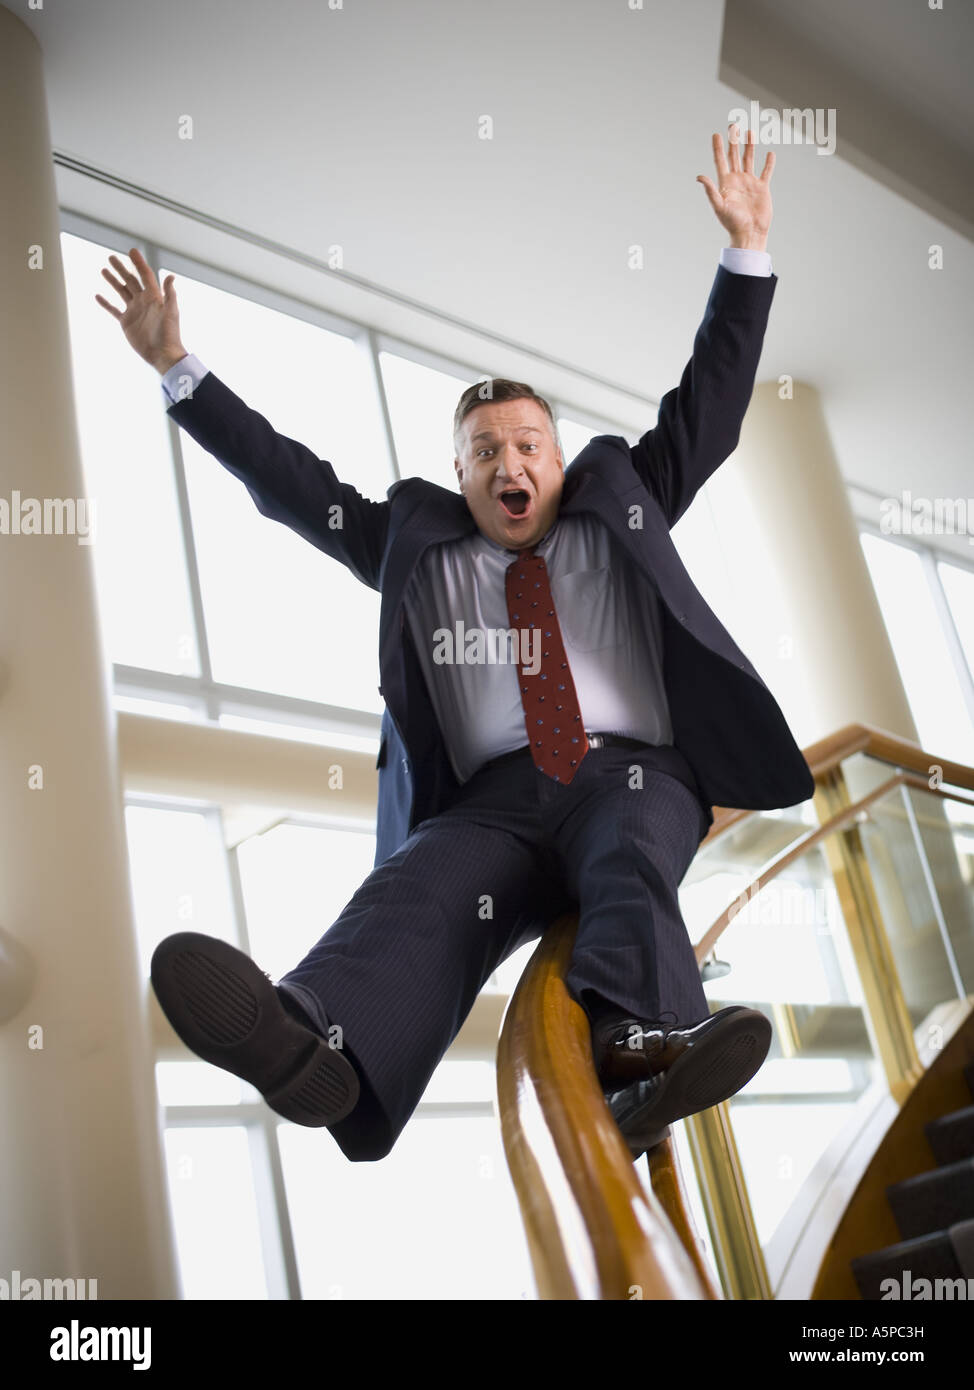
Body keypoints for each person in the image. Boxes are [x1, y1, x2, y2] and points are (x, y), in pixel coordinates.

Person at [96, 124, 812, 1163]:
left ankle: (638, 1047)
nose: (506, 463)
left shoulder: (622, 498)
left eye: (527, 446)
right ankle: (318, 1041)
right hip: (493, 808)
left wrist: (744, 253)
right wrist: (177, 367)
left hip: (626, 774)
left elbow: (708, 402)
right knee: (420, 885)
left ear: (557, 461)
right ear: (459, 472)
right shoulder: (412, 541)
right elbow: (291, 482)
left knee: (625, 852)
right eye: (484, 453)